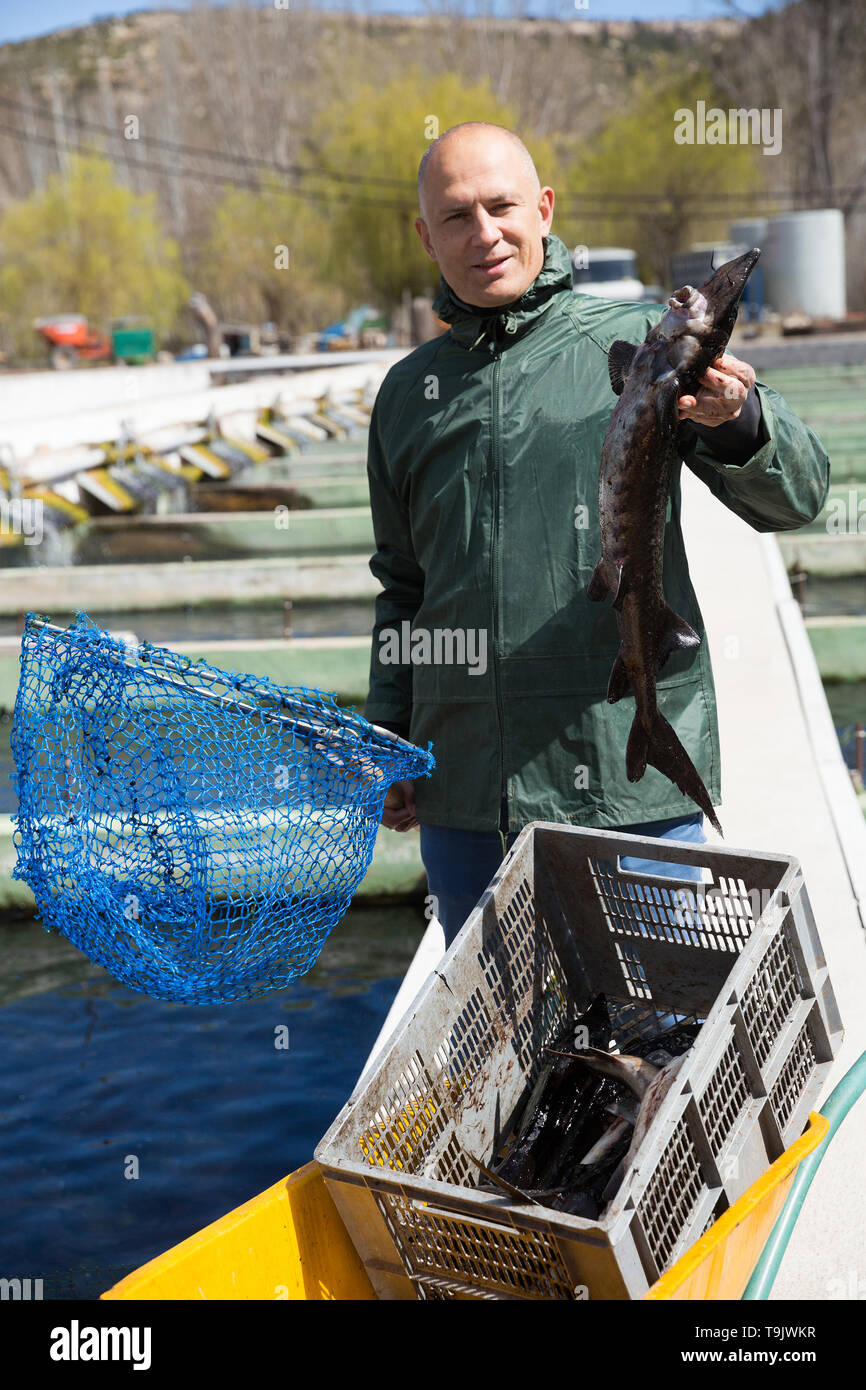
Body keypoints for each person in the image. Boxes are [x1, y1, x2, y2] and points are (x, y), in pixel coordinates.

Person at [365, 123, 829, 946]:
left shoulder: (648, 350)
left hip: (623, 783)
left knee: (659, 1042)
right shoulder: (407, 395)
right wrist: (394, 733)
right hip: (464, 800)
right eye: (457, 216)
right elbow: (404, 586)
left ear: (543, 209)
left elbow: (798, 498)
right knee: (508, 1055)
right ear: (424, 235)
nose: (485, 234)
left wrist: (742, 421)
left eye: (502, 206)